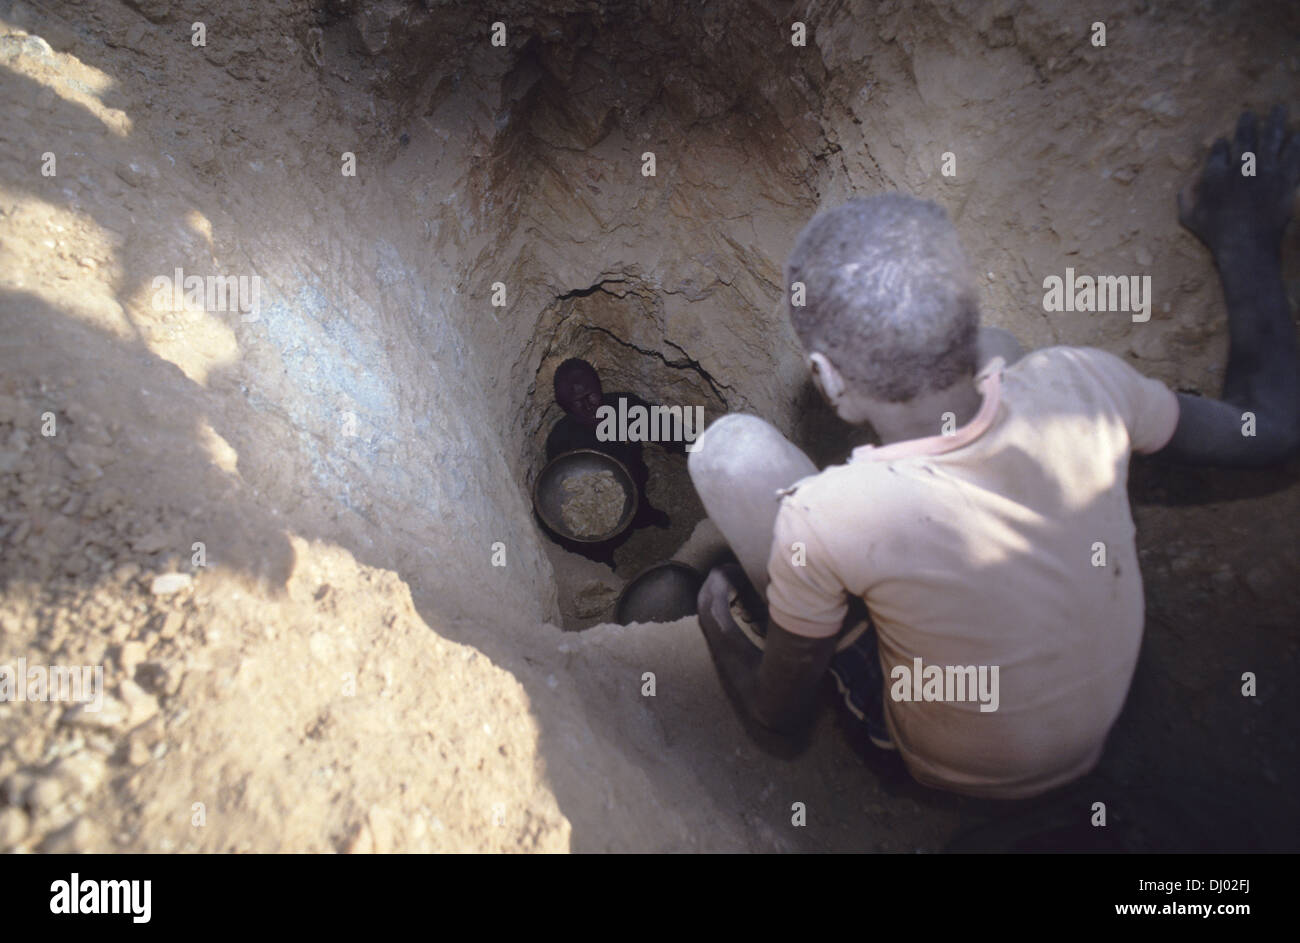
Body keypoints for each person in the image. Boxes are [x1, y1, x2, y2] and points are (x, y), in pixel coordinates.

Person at [687, 107, 1300, 798]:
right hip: (1101, 722)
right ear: (964, 316)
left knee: (729, 454)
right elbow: (1273, 428)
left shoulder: (826, 514)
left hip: (949, 765)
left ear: (828, 380)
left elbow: (779, 713)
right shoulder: (1086, 380)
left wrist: (711, 619)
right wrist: (1244, 233)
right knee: (1013, 350)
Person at [541, 358, 677, 568]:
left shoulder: (626, 408)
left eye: (591, 395)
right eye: (577, 401)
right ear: (564, 405)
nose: (588, 405)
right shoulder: (561, 439)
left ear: (600, 385)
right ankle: (603, 560)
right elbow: (563, 487)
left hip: (635, 479)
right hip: (599, 502)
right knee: (598, 542)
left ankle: (645, 516)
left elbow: (666, 429)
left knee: (641, 505)